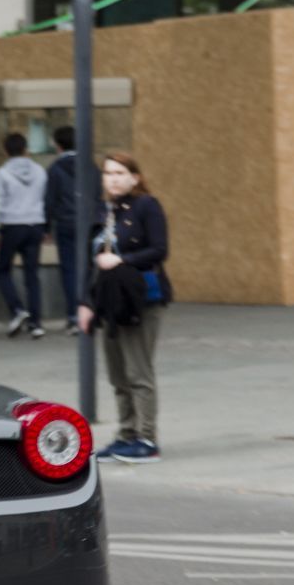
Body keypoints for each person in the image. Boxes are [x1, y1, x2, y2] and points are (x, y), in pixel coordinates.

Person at [76, 151, 172, 463]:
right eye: (108, 173)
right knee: (118, 373)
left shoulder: (147, 206)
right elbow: (94, 262)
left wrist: (122, 259)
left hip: (141, 298)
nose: (113, 179)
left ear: (135, 177)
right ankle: (126, 434)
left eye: (120, 173)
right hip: (110, 300)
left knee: (138, 370)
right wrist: (87, 303)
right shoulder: (106, 210)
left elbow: (159, 250)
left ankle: (147, 438)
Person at [0, 132, 48, 338]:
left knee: (2, 270)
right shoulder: (39, 170)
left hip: (12, 225)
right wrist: (46, 227)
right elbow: (46, 199)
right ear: (25, 149)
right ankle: (36, 324)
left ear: (6, 151)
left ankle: (18, 310)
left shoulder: (2, 172)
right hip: (35, 224)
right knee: (32, 275)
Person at [44, 125, 82, 334]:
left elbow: (50, 200)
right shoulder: (89, 166)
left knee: (69, 270)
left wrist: (47, 227)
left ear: (58, 145)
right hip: (87, 223)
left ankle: (73, 315)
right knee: (86, 269)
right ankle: (89, 311)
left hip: (65, 224)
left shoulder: (55, 168)